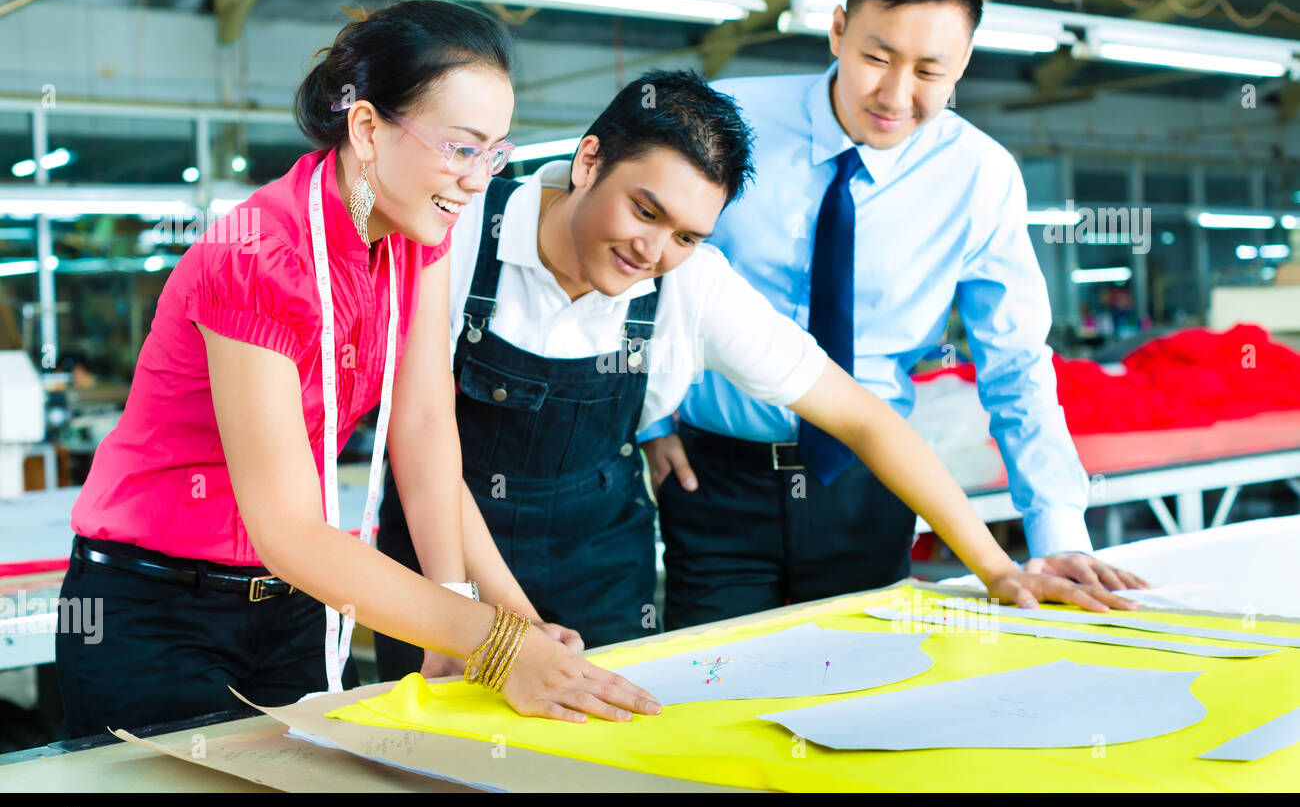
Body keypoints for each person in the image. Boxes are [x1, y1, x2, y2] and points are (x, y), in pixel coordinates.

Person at [374, 68, 1140, 676]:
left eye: (685, 234)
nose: (652, 252)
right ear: (587, 161)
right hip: (440, 548)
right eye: (644, 211)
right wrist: (499, 617)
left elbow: (863, 418)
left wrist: (999, 567)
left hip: (599, 561)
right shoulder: (460, 232)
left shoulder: (692, 283)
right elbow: (426, 443)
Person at [57, 0, 660, 739]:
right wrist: (491, 639)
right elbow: (285, 528)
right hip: (157, 607)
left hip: (298, 602)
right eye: (460, 148)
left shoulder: (417, 236)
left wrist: (494, 615)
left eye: (495, 152)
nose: (477, 180)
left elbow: (424, 426)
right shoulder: (257, 254)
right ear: (368, 128)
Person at [642, 0, 1148, 631]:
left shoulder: (979, 178)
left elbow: (1017, 364)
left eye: (929, 71)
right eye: (876, 56)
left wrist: (1058, 532)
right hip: (712, 473)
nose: (895, 94)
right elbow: (642, 265)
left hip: (870, 477)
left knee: (861, 691)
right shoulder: (725, 122)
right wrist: (650, 417)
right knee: (707, 682)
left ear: (964, 61)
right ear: (839, 29)